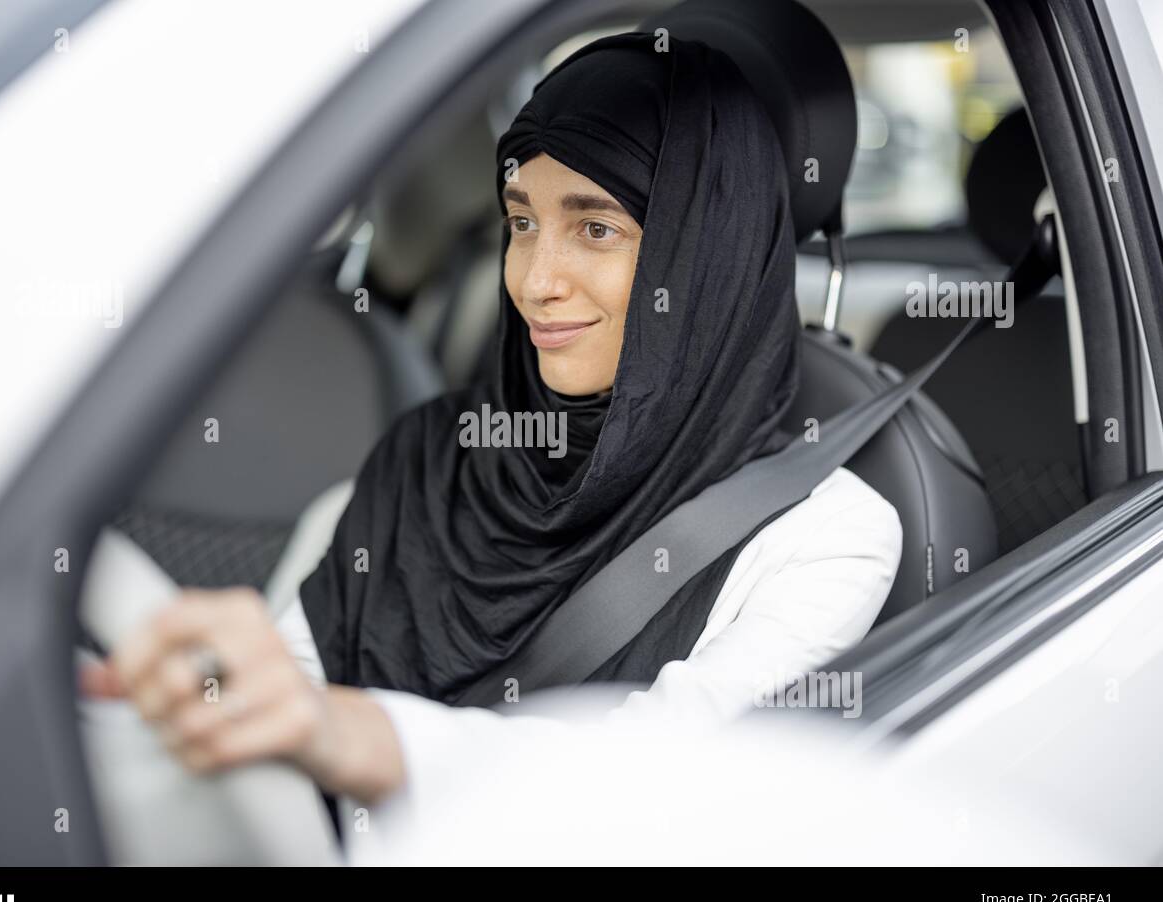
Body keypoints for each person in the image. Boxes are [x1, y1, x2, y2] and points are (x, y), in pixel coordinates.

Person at [81, 33, 902, 809]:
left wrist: (360, 735)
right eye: (521, 222)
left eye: (595, 227)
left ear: (701, 253)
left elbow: (650, 786)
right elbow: (296, 675)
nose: (537, 279)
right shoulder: (433, 452)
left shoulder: (824, 534)